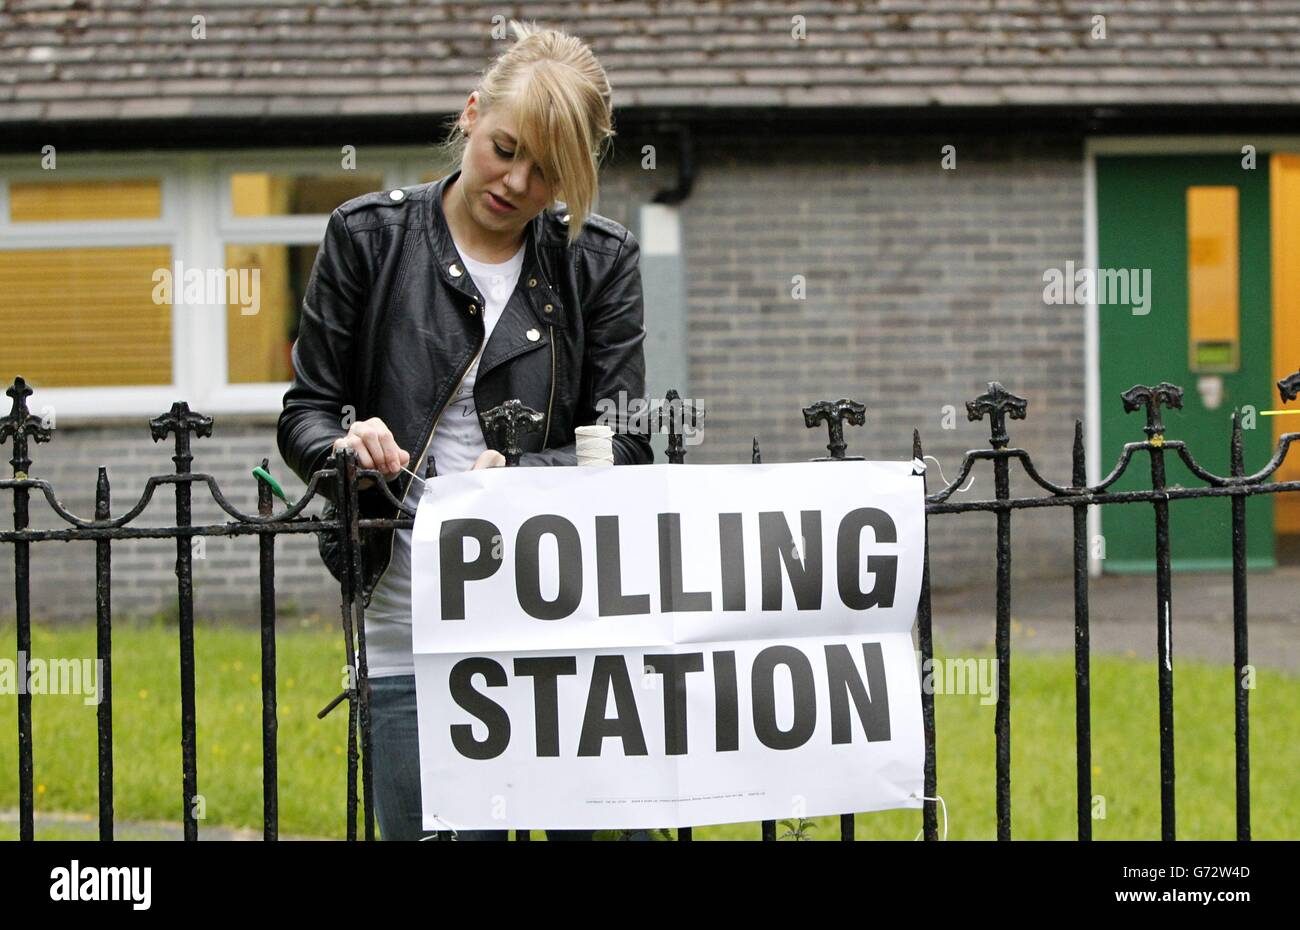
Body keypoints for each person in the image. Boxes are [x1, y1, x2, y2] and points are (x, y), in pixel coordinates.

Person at [277, 19, 653, 840]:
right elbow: (305, 410)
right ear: (472, 113)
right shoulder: (367, 238)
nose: (516, 183)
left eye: (548, 171)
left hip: (562, 631)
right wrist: (345, 445)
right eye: (505, 148)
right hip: (410, 626)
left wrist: (529, 473)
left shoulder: (599, 263)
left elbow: (624, 439)